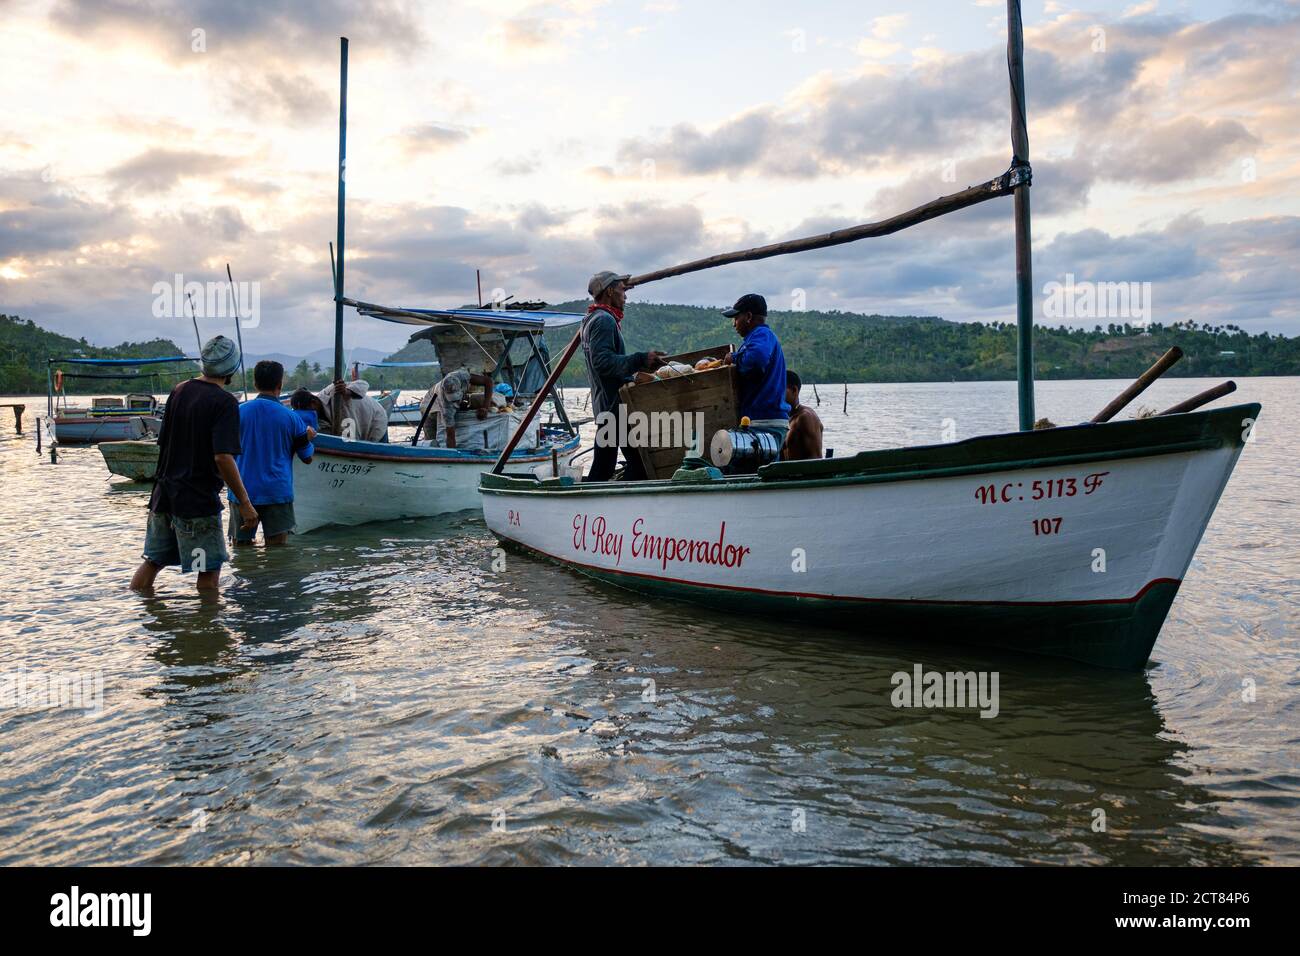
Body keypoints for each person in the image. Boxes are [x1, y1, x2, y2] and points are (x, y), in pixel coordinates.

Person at [130, 335, 257, 593]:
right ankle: (205, 627)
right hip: (196, 502)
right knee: (208, 570)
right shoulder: (224, 402)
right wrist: (245, 503)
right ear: (232, 368)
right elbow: (223, 457)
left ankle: (141, 612)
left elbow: (163, 443)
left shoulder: (179, 390)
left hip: (163, 496)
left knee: (154, 562)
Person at [581, 270, 666, 481]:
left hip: (609, 405)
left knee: (625, 464)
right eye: (621, 290)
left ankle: (608, 505)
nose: (625, 296)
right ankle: (592, 508)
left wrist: (634, 374)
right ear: (609, 291)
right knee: (632, 465)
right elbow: (602, 363)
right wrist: (640, 359)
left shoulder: (593, 318)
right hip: (614, 407)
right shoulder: (603, 321)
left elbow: (608, 365)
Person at [228, 361, 316, 546]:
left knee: (241, 549)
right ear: (280, 384)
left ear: (255, 384)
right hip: (276, 491)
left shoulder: (236, 413)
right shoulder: (292, 418)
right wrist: (307, 438)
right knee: (278, 551)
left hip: (241, 490)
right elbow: (307, 458)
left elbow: (223, 454)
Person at [722, 293, 789, 446]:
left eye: (736, 318)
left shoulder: (761, 334)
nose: (734, 324)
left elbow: (756, 360)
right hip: (760, 421)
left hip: (764, 422)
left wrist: (734, 358)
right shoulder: (756, 338)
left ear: (749, 316)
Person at [418, 367, 493, 448]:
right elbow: (450, 436)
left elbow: (488, 381)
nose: (455, 402)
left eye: (456, 399)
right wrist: (452, 454)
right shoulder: (446, 407)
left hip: (442, 396)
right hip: (429, 407)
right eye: (453, 400)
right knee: (431, 443)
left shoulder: (462, 376)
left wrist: (485, 407)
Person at [318, 378, 389, 442]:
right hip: (360, 428)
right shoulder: (318, 420)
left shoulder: (333, 390)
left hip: (376, 420)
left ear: (312, 402)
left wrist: (346, 392)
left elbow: (363, 384)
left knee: (377, 451)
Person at [781, 370, 823, 461]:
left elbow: (816, 459)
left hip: (804, 474)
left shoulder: (806, 417)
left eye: (781, 390)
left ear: (794, 390)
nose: (777, 394)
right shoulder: (786, 417)